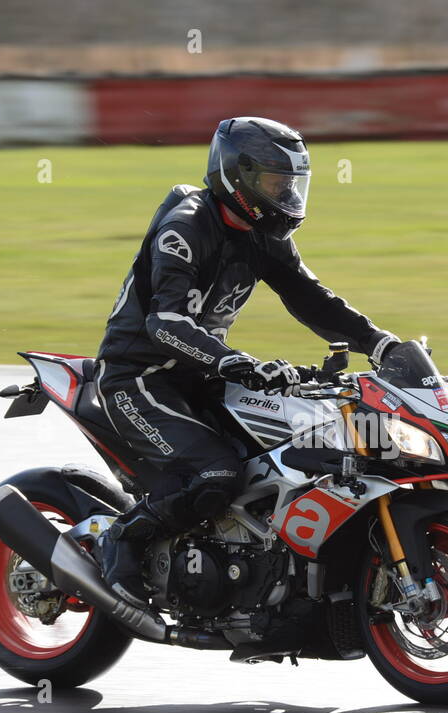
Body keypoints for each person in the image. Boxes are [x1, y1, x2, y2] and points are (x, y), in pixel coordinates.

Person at [94, 116, 399, 605]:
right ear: (238, 176)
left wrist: (379, 342)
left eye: (292, 184)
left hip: (202, 375)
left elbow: (311, 298)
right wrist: (235, 362)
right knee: (218, 474)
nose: (287, 195)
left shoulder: (264, 234)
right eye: (275, 183)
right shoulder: (187, 227)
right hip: (141, 377)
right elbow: (165, 324)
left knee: (299, 444)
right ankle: (123, 538)